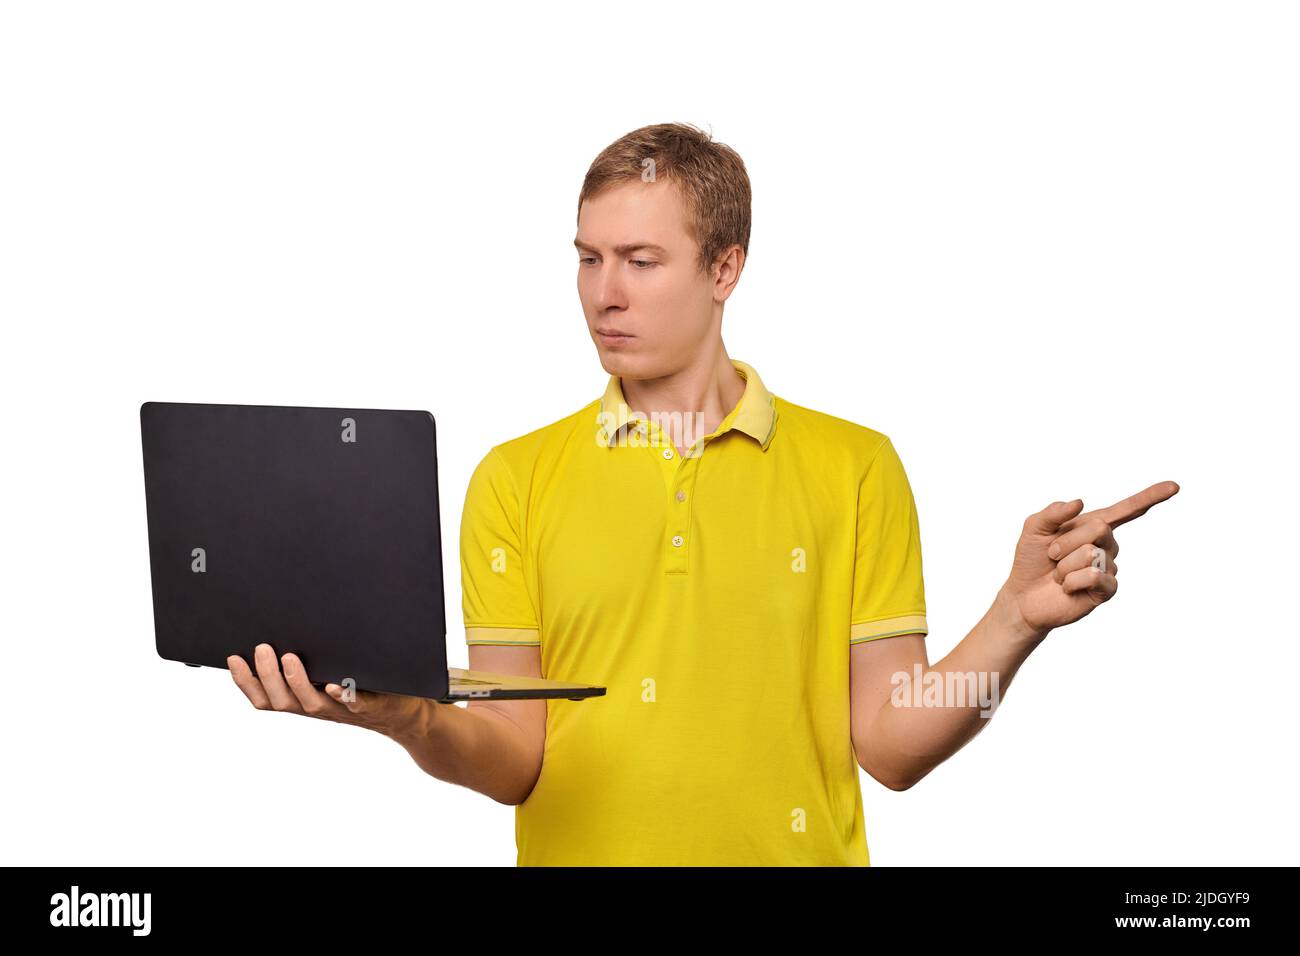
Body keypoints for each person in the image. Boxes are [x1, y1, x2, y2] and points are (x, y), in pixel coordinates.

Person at [227, 122, 1180, 866]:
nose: (605, 293)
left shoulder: (855, 466)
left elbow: (891, 745)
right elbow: (516, 754)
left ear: (725, 268)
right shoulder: (513, 478)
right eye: (588, 257)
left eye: (642, 262)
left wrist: (1016, 618)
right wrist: (409, 719)